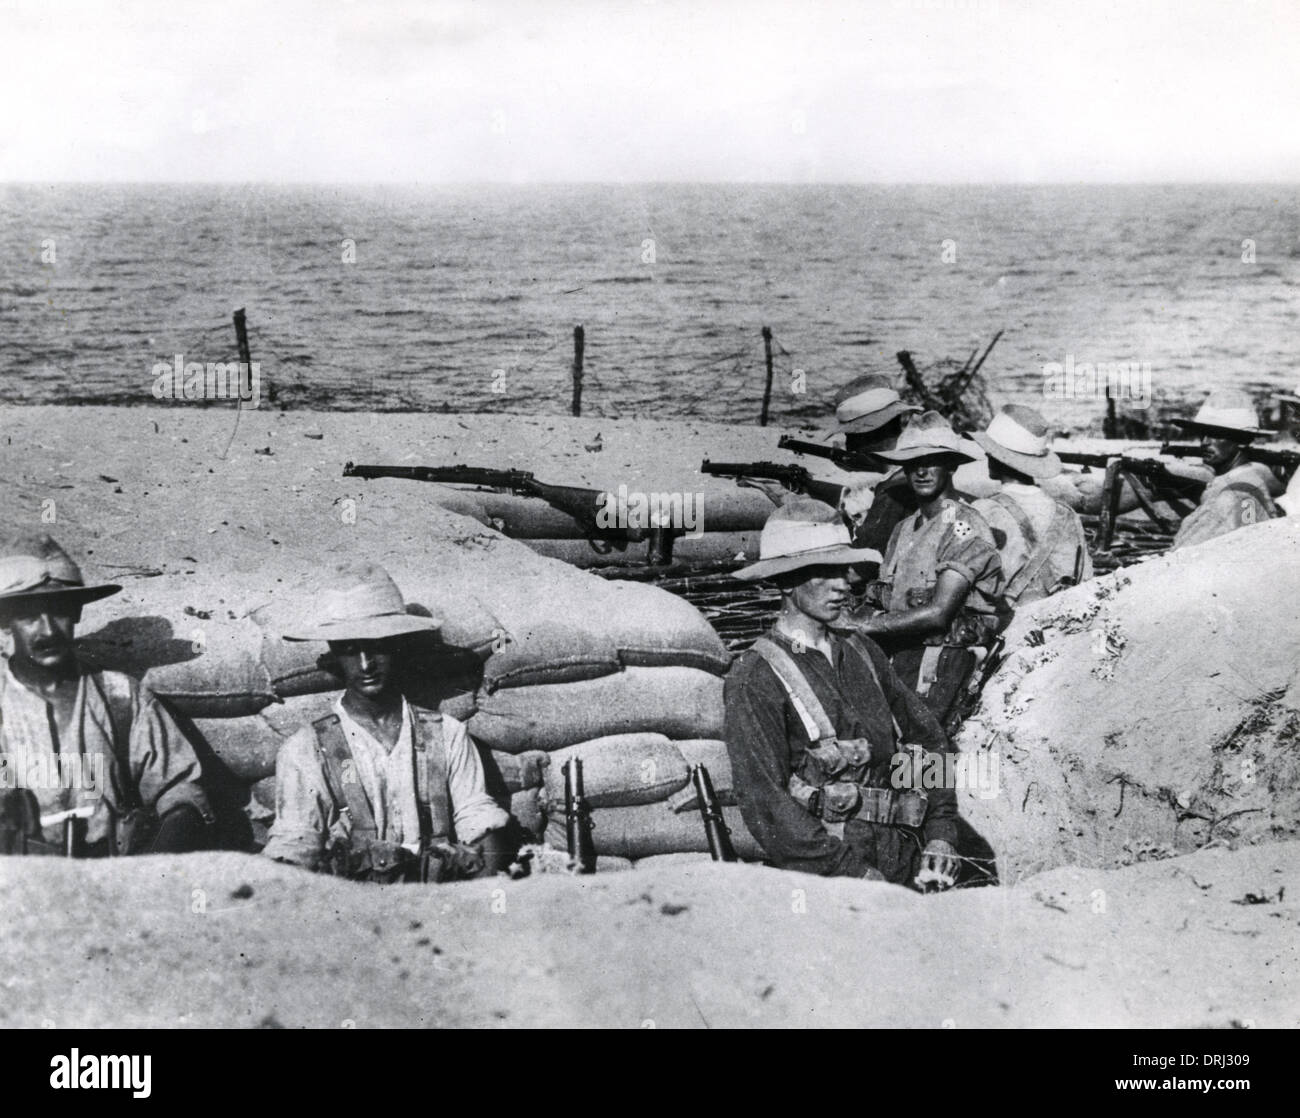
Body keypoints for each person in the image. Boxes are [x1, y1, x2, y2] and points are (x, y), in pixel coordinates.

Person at [725, 498, 961, 891]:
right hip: (829, 881)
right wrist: (853, 877)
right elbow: (766, 802)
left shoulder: (860, 651)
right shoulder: (755, 677)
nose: (844, 583)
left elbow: (927, 740)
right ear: (785, 581)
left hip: (905, 858)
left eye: (843, 570)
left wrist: (941, 830)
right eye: (824, 572)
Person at [263, 561, 513, 883]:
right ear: (333, 656)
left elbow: (479, 822)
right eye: (350, 650)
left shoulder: (447, 735)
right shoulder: (306, 750)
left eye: (377, 647)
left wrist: (486, 892)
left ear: (399, 646)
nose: (366, 665)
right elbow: (295, 846)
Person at [0, 532, 213, 856]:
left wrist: (151, 873)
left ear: (76, 613)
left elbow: (182, 793)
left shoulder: (121, 697)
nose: (48, 630)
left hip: (112, 879)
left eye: (58, 610)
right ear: (5, 622)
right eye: (29, 615)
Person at [850, 412, 1003, 722]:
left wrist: (862, 626)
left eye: (931, 460)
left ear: (951, 465)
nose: (921, 471)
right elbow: (882, 596)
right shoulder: (903, 530)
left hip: (941, 665)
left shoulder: (963, 525)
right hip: (899, 660)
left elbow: (938, 614)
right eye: (911, 462)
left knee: (919, 755)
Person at [971, 404, 1092, 606]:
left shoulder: (982, 511)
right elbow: (1086, 580)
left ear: (996, 456)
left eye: (989, 451)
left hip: (1009, 627)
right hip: (1060, 622)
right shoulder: (1067, 514)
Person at [1170, 390, 1279, 550]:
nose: (1205, 442)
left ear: (1242, 440)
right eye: (1203, 435)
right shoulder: (1247, 480)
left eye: (1216, 435)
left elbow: (1181, 556)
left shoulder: (1232, 495)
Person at [832, 374, 923, 557]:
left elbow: (866, 560)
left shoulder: (892, 491)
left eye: (852, 435)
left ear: (868, 434)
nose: (849, 446)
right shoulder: (919, 463)